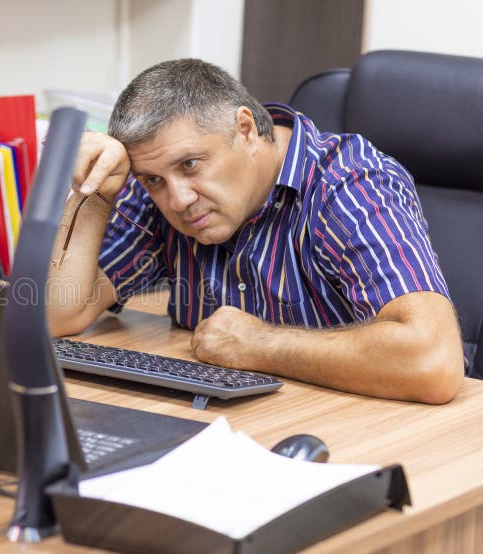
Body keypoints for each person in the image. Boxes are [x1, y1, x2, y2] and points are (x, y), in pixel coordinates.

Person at [46, 58, 464, 404]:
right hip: (231, 430)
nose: (178, 200)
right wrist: (95, 192)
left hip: (362, 436)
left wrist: (262, 345)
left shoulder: (349, 184)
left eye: (191, 164)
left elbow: (433, 360)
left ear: (245, 130)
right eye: (153, 180)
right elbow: (54, 314)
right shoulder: (164, 184)